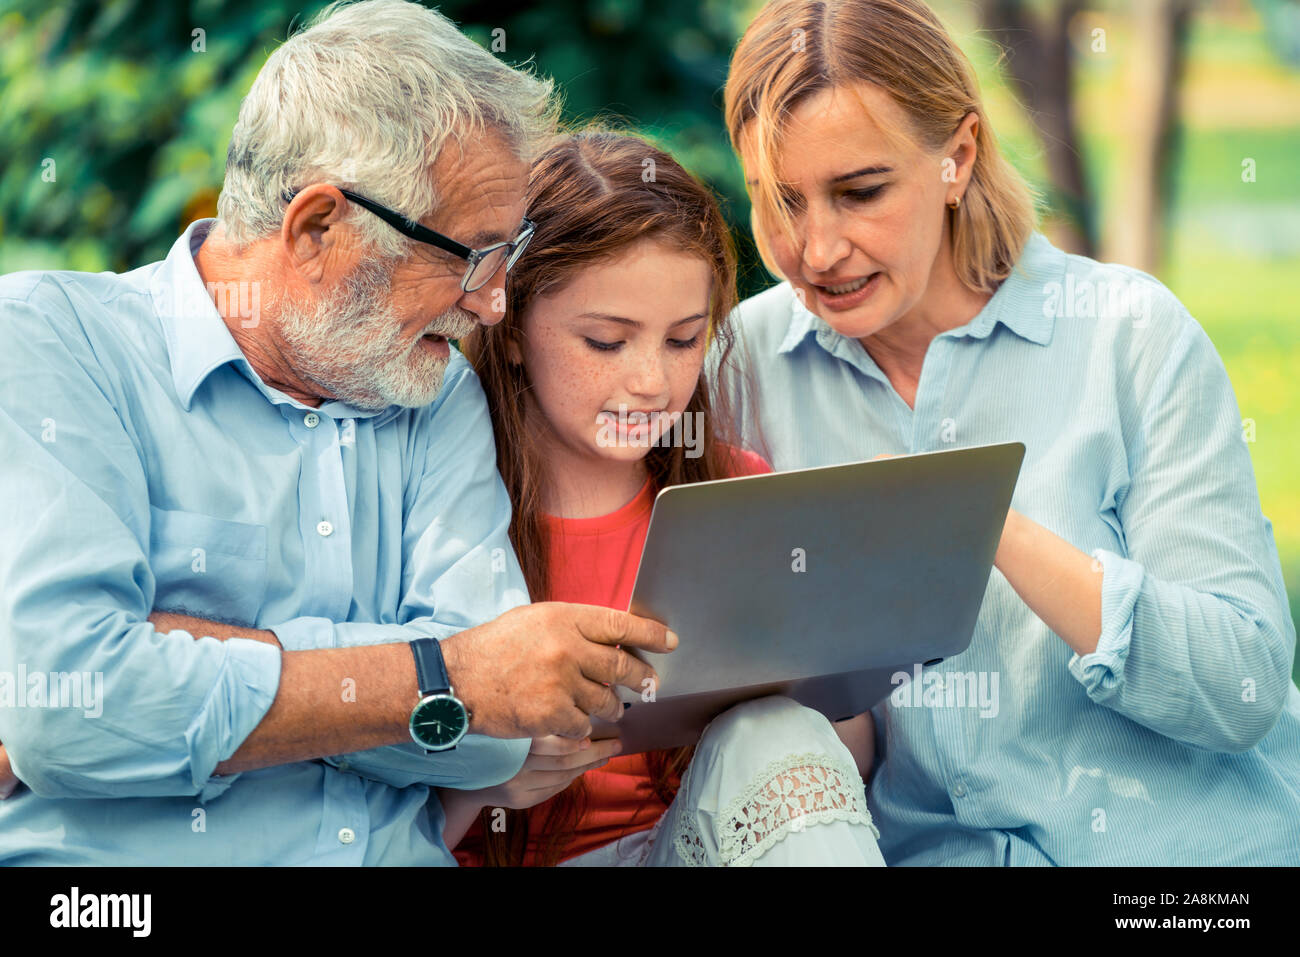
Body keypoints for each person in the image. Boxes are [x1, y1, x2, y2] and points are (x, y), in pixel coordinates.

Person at [0, 0, 675, 865]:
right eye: (470, 256)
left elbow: (498, 740)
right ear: (318, 228)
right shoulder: (55, 343)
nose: (494, 302)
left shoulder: (436, 393)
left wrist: (186, 653)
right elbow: (71, 714)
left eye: (508, 254)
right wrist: (449, 675)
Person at [716, 0, 1300, 864]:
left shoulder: (1127, 335)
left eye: (860, 192)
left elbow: (1241, 682)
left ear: (959, 156)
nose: (817, 248)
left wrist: (982, 520)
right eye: (781, 201)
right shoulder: (739, 367)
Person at [447, 131, 886, 866]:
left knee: (775, 729)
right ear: (514, 324)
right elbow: (368, 827)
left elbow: (836, 774)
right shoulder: (439, 509)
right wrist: (486, 780)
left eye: (684, 341)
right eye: (608, 342)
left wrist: (817, 656)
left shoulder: (732, 495)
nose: (652, 380)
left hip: (692, 846)